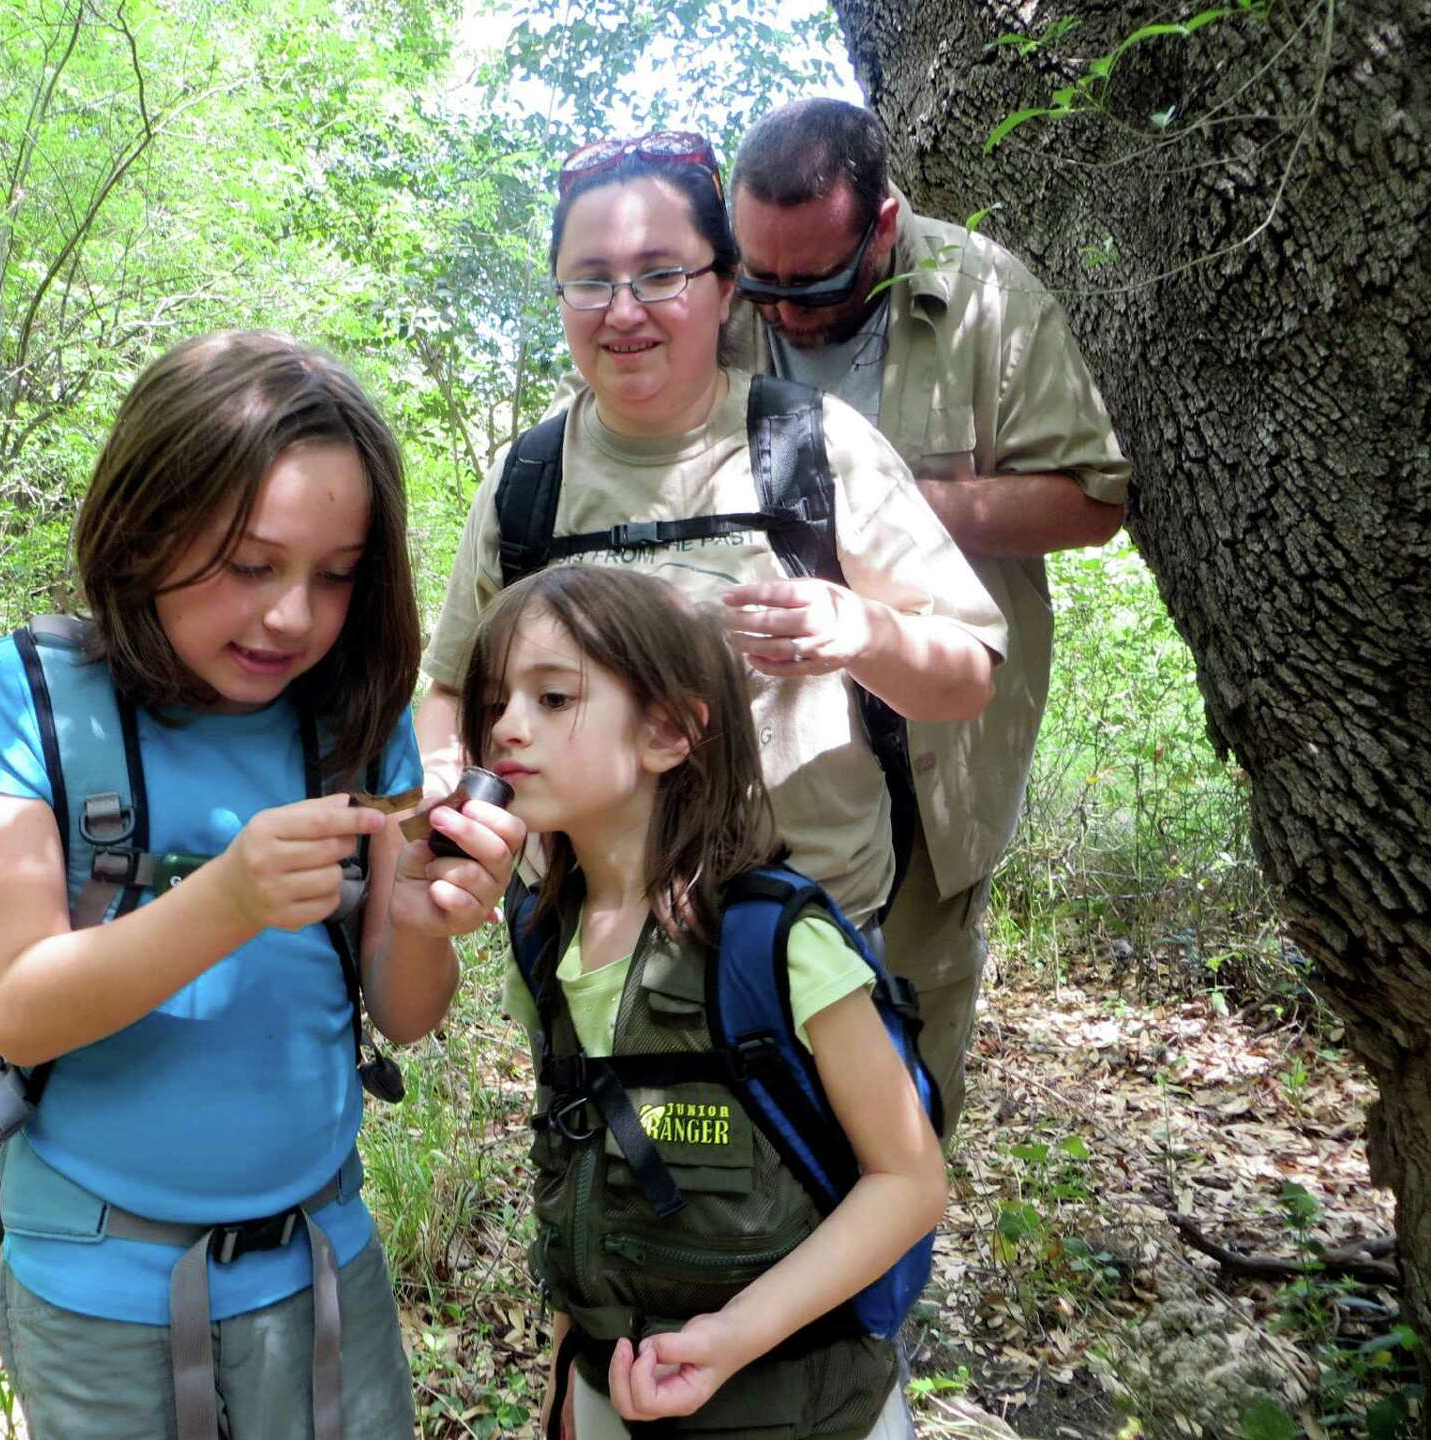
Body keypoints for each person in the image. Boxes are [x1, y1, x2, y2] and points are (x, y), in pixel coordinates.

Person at [0, 330, 524, 1440]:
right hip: (98, 1288)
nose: (293, 615)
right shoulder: (35, 701)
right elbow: (19, 1002)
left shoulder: (354, 717)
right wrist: (227, 901)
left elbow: (404, 1013)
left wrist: (423, 919)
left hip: (320, 1270)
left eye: (335, 576)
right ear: (145, 524)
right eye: (250, 564)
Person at [416, 132, 1007, 937]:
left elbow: (968, 674)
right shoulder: (527, 481)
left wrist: (861, 632)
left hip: (802, 942)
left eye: (662, 274)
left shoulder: (815, 445)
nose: (624, 311)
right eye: (589, 282)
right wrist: (444, 777)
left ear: (726, 286)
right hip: (586, 951)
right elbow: (452, 687)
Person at [464, 564, 946, 1439]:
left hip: (806, 1412)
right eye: (497, 701)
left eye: (553, 698)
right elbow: (577, 1175)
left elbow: (908, 1182)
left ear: (669, 732)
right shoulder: (544, 942)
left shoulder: (773, 946)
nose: (506, 727)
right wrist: (566, 1382)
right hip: (612, 1400)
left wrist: (730, 1339)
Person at [725, 98, 1133, 1133]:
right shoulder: (717, 294)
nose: (780, 310)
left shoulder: (989, 297)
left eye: (812, 283)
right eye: (758, 279)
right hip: (754, 748)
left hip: (931, 749)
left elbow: (1091, 498)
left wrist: (878, 504)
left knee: (905, 1036)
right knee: (741, 1030)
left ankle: (883, 1272)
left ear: (886, 225)